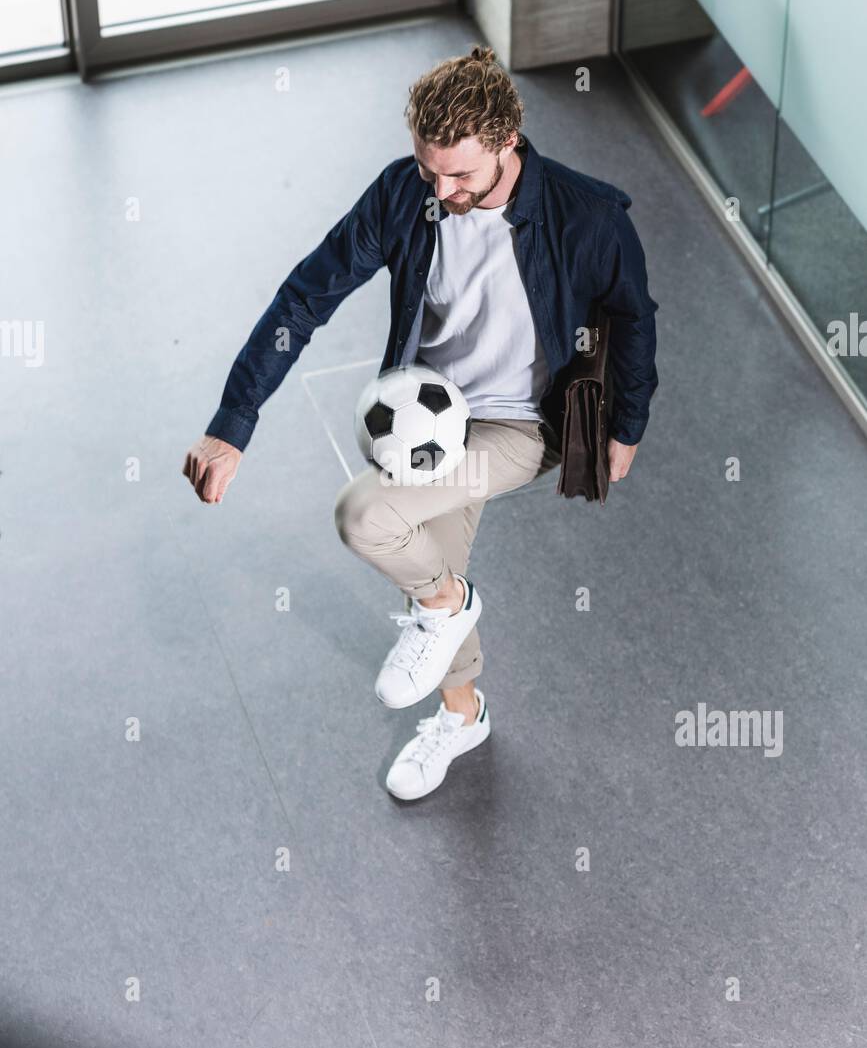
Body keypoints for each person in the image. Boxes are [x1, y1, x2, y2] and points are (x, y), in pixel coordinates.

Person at [182, 45, 658, 800]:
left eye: (460, 175)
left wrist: (624, 428)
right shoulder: (408, 193)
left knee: (366, 518)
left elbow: (633, 322)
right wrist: (233, 421)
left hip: (520, 426)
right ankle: (462, 715)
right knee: (430, 564)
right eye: (427, 168)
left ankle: (444, 606)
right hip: (426, 416)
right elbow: (306, 297)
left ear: (508, 142)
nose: (441, 189)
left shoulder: (587, 216)